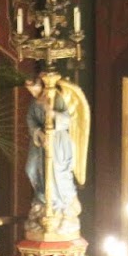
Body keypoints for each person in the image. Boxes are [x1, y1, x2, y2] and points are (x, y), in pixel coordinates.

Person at [23, 68, 89, 221]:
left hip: (58, 141)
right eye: (30, 90)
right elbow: (30, 120)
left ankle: (65, 202)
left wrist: (51, 113)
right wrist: (38, 133)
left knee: (57, 172)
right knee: (32, 168)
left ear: (40, 85)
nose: (32, 93)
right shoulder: (34, 102)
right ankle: (43, 200)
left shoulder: (57, 97)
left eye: (34, 89)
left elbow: (68, 119)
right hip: (40, 143)